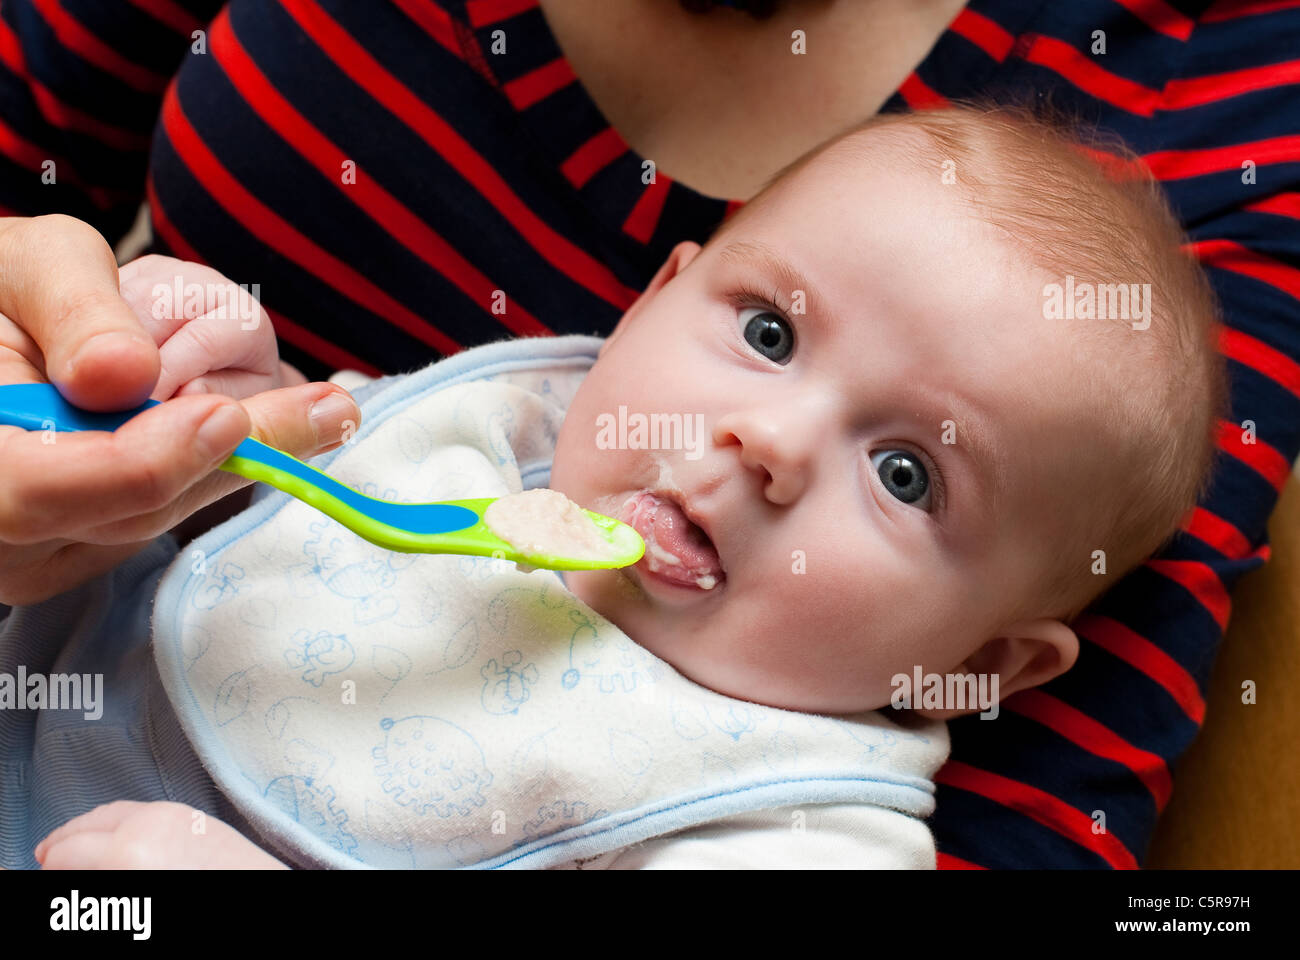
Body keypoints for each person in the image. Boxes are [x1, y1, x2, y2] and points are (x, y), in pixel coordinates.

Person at [0, 0, 1296, 869]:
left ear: (993, 663)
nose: (766, 443)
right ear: (653, 297)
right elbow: (264, 496)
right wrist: (192, 398)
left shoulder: (784, 820)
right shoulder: (500, 428)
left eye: (907, 474)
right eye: (773, 336)